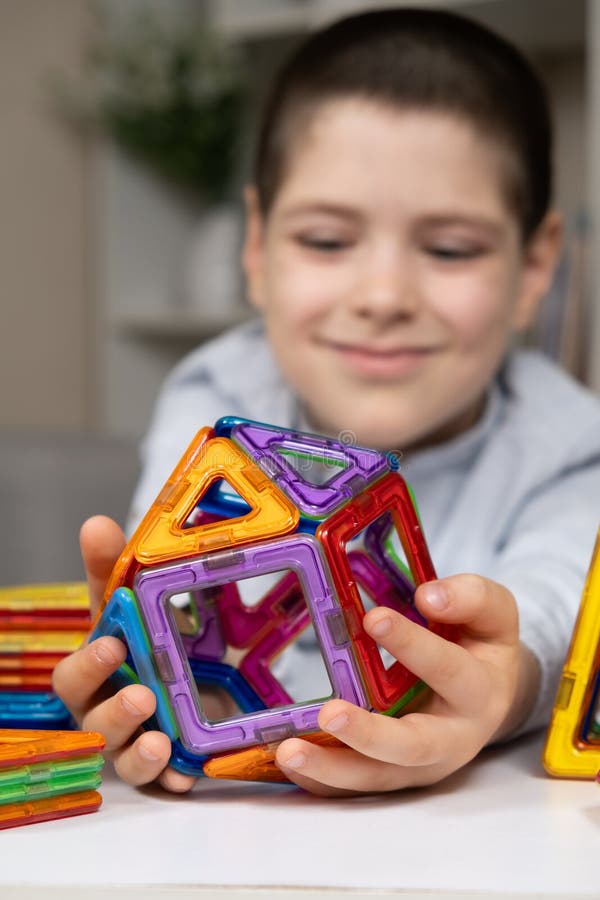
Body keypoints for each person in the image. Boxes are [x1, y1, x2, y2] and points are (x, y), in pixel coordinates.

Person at [53, 7, 600, 797]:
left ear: (535, 268)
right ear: (256, 248)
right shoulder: (218, 395)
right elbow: (171, 605)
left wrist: (498, 687)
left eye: (449, 249)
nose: (383, 296)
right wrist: (148, 690)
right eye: (326, 240)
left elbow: (549, 609)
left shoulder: (571, 443)